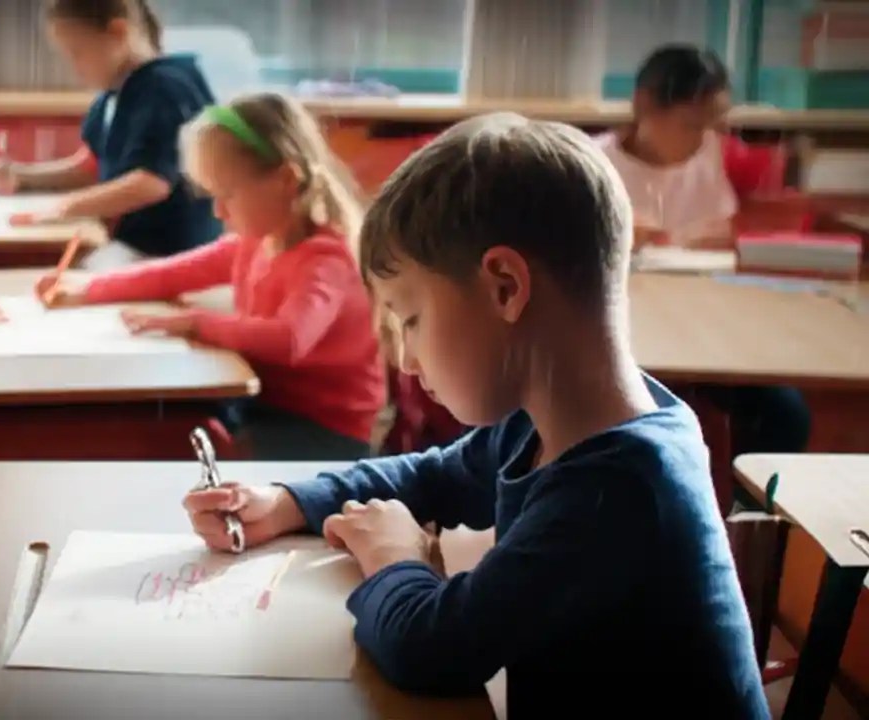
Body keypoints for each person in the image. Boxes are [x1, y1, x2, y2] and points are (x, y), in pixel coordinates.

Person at [183, 113, 768, 717]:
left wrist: (395, 556)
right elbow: (432, 476)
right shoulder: (550, 422)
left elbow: (433, 648)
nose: (406, 361)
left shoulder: (621, 486)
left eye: (411, 319)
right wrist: (286, 501)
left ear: (506, 286)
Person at [39, 93, 385, 460]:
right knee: (166, 430)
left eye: (228, 194)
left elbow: (289, 338)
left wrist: (194, 323)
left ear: (285, 179)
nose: (218, 211)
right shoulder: (254, 242)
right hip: (263, 404)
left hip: (324, 432)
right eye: (212, 195)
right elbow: (170, 274)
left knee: (186, 451)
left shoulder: (327, 259)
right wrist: (86, 288)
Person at [599, 44, 810, 462]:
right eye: (691, 124)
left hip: (709, 330)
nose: (704, 138)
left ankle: (744, 515)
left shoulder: (707, 154)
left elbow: (721, 230)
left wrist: (717, 236)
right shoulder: (595, 161)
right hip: (629, 335)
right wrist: (617, 235)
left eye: (713, 124)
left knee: (787, 415)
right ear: (645, 105)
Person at [0, 0, 220, 270]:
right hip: (134, 247)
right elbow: (91, 166)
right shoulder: (113, 94)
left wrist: (65, 208)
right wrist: (24, 177)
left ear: (117, 33)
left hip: (171, 255)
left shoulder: (164, 87)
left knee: (70, 276)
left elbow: (151, 183)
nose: (75, 67)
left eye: (78, 53)